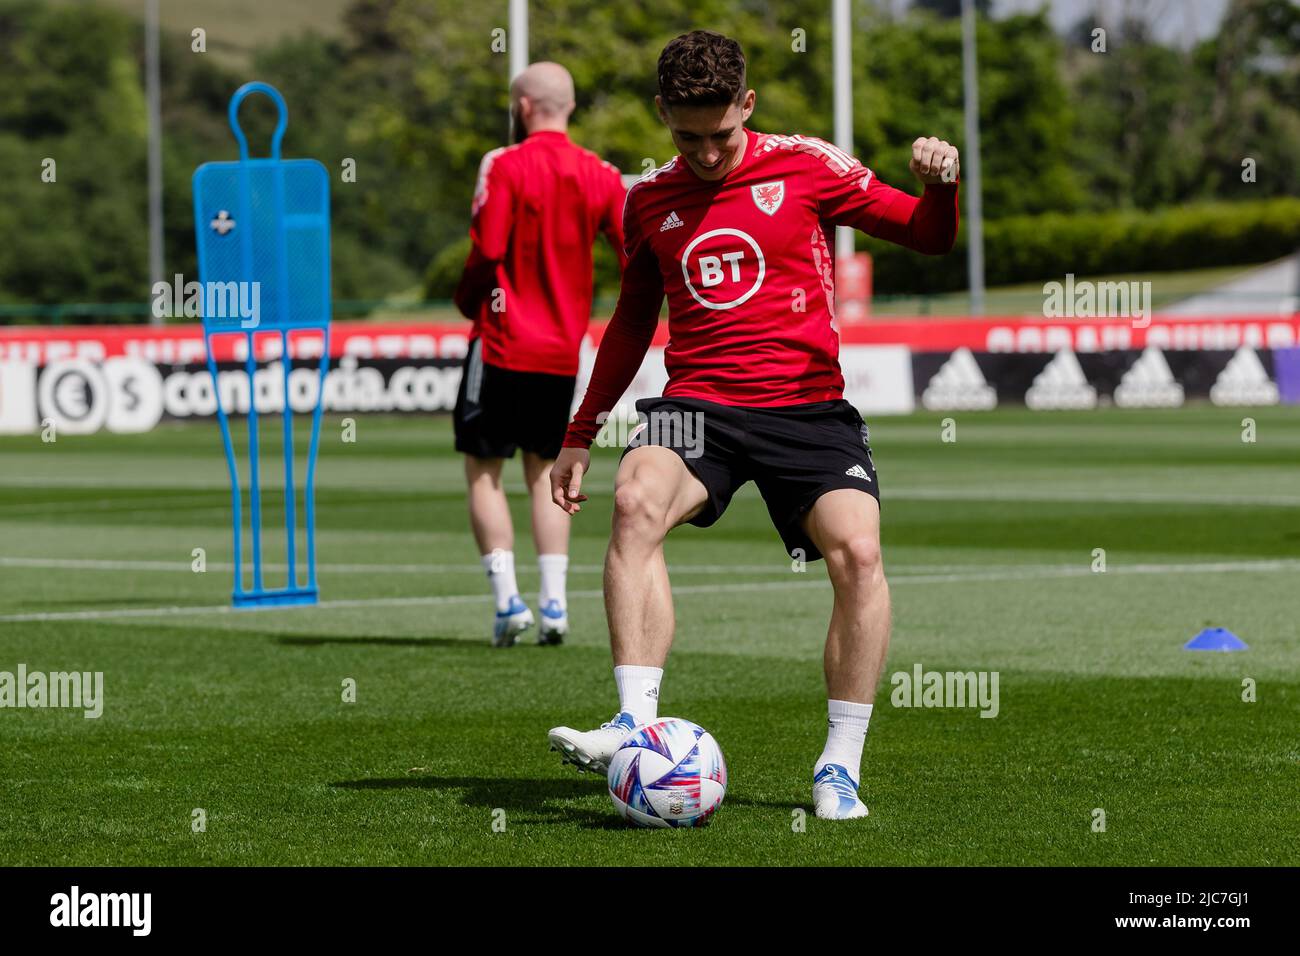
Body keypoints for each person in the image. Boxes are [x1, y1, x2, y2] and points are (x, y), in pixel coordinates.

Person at [545, 31, 960, 818]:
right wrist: (580, 432)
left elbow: (928, 237)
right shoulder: (648, 200)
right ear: (663, 113)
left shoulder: (808, 165)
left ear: (748, 105)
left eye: (721, 135)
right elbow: (633, 322)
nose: (705, 153)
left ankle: (839, 766)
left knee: (860, 555)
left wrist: (940, 187)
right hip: (699, 407)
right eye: (686, 136)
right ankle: (635, 721)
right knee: (635, 504)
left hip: (807, 410)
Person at [453, 61, 627, 647]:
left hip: (500, 342)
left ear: (523, 107)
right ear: (569, 106)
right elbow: (634, 254)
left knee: (483, 473)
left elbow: (488, 246)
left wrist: (467, 298)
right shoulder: (601, 174)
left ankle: (508, 603)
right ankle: (555, 604)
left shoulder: (503, 164)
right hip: (561, 353)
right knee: (546, 475)